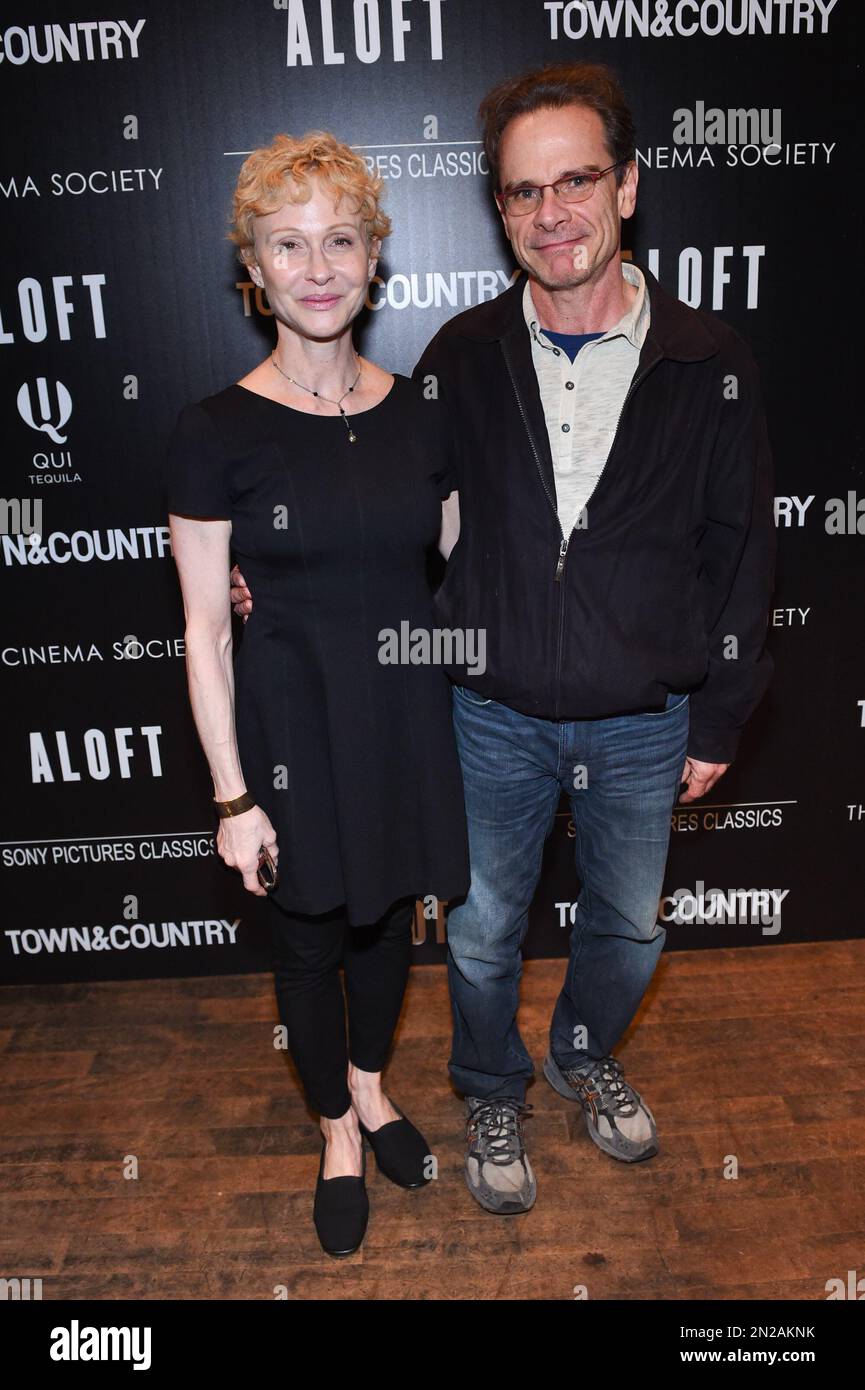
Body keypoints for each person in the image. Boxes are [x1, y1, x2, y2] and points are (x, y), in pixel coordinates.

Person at [231, 62, 777, 1217]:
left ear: (627, 187)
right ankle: (489, 1083)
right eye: (523, 192)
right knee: (479, 938)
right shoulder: (460, 358)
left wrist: (721, 711)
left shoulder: (707, 362)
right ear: (500, 210)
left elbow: (741, 550)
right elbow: (384, 509)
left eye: (576, 180)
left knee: (626, 933)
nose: (552, 213)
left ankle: (578, 1052)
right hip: (488, 712)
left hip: (646, 718)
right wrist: (272, 563)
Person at [166, 131, 469, 1256]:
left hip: (400, 719)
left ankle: (374, 1085)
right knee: (305, 940)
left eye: (340, 237)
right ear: (254, 267)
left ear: (374, 256)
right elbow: (202, 626)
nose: (318, 264)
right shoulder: (214, 432)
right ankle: (338, 1131)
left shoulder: (421, 411)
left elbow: (439, 554)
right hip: (288, 729)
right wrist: (233, 796)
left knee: (389, 920)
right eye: (287, 244)